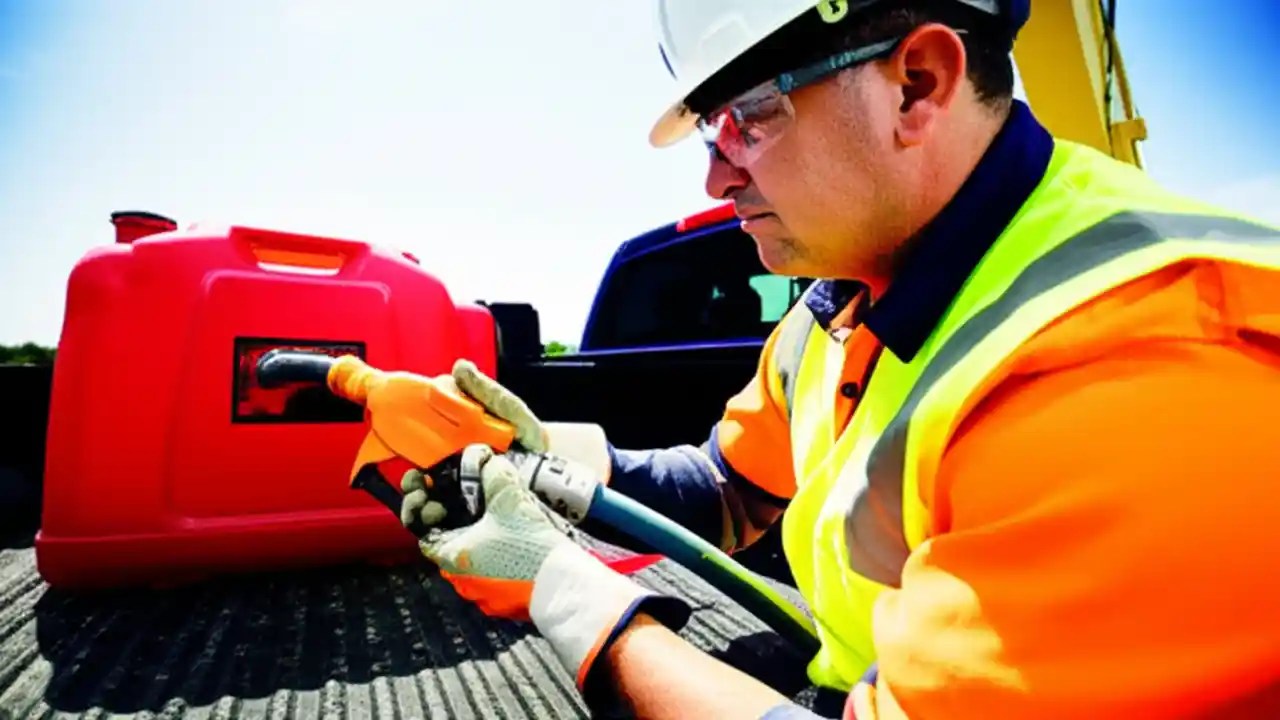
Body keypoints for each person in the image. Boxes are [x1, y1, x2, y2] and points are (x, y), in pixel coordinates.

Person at [400, 0, 1280, 717]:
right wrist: (550, 454)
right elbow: (728, 490)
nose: (716, 177)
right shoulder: (836, 307)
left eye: (747, 119)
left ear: (918, 85)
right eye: (713, 131)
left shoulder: (1135, 355)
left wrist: (566, 593)